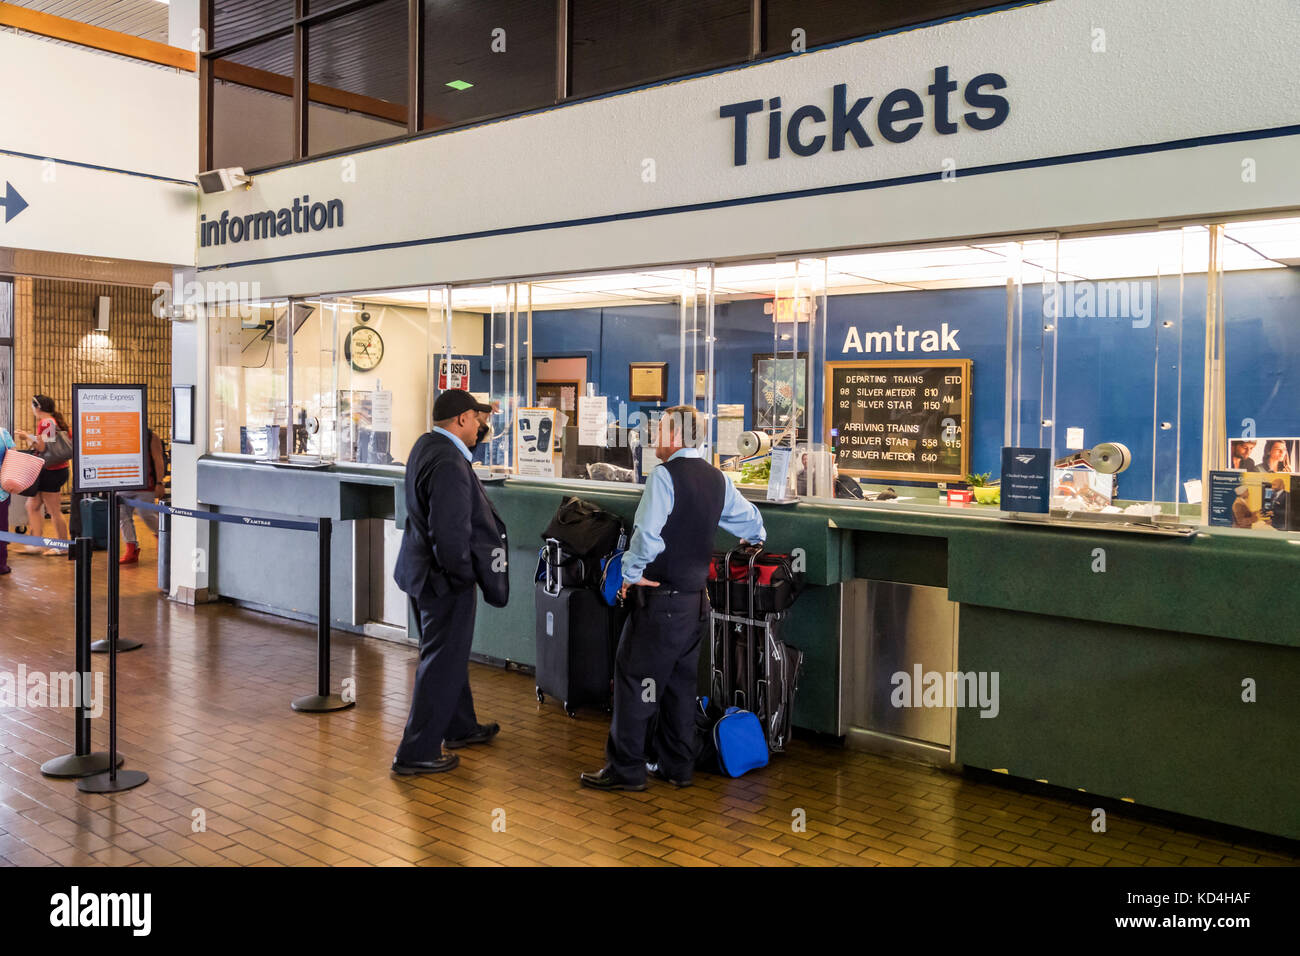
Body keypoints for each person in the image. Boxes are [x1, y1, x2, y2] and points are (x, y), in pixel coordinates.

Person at [582, 405, 766, 792]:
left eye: (661, 430)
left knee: (634, 681)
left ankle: (627, 770)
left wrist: (630, 576)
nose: (655, 438)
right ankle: (677, 767)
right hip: (696, 603)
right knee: (680, 688)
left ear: (678, 436)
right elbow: (751, 524)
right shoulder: (717, 478)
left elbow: (647, 536)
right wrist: (752, 540)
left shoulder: (664, 477)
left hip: (660, 600)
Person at [391, 389, 506, 775]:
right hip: (443, 580)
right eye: (477, 419)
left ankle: (460, 726)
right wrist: (462, 576)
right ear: (460, 419)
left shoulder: (425, 446)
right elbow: (451, 533)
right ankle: (417, 751)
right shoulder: (451, 463)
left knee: (445, 655)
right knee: (440, 661)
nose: (481, 427)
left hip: (418, 570)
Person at [13, 395, 71, 555]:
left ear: (37, 407)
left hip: (51, 472)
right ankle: (35, 544)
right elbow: (48, 443)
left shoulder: (46, 422)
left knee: (53, 510)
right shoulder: (52, 421)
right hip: (54, 469)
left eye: (32, 407)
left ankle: (63, 546)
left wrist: (26, 436)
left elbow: (42, 446)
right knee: (32, 506)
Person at [118, 429, 167, 564]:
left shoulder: (150, 435)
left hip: (145, 484)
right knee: (122, 515)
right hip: (122, 482)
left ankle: (163, 539)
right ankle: (131, 548)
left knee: (146, 513)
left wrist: (159, 482)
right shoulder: (117, 433)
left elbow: (158, 459)